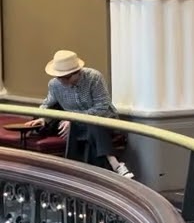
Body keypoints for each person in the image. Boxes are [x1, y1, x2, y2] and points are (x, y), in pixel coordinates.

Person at [30, 50, 132, 178]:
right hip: (75, 125)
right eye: (59, 77)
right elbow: (47, 103)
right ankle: (113, 166)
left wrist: (73, 118)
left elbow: (102, 107)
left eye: (67, 77)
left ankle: (109, 165)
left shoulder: (94, 78)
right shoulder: (54, 84)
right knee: (82, 127)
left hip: (103, 120)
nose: (63, 81)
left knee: (94, 123)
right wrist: (42, 118)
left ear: (78, 73)